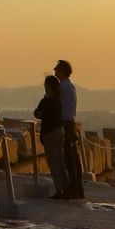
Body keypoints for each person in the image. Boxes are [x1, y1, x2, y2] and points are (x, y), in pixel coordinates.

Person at [53, 59, 85, 200]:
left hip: (65, 123)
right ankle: (77, 189)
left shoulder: (63, 88)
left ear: (61, 71)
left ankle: (72, 189)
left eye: (57, 69)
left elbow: (58, 106)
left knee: (68, 159)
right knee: (72, 158)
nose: (55, 71)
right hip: (70, 123)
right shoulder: (69, 87)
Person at [34, 73, 69, 200]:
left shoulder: (47, 100)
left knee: (54, 163)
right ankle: (66, 188)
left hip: (50, 133)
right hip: (60, 131)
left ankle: (59, 190)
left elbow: (37, 114)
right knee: (60, 162)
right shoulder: (58, 100)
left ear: (48, 87)